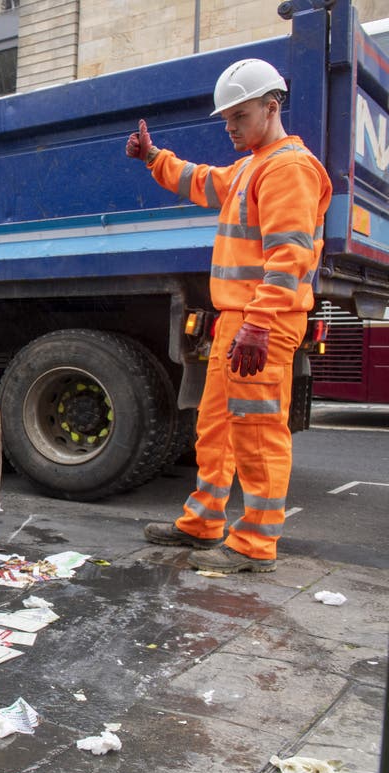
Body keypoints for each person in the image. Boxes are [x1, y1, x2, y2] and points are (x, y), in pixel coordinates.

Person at [126, 58, 332, 574]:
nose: (231, 127)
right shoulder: (251, 166)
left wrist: (259, 324)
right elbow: (202, 182)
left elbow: (290, 258)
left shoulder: (288, 168)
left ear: (271, 106)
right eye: (226, 119)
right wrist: (154, 157)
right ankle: (204, 522)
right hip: (239, 320)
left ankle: (255, 545)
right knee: (215, 425)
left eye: (239, 116)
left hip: (262, 322)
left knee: (258, 433)